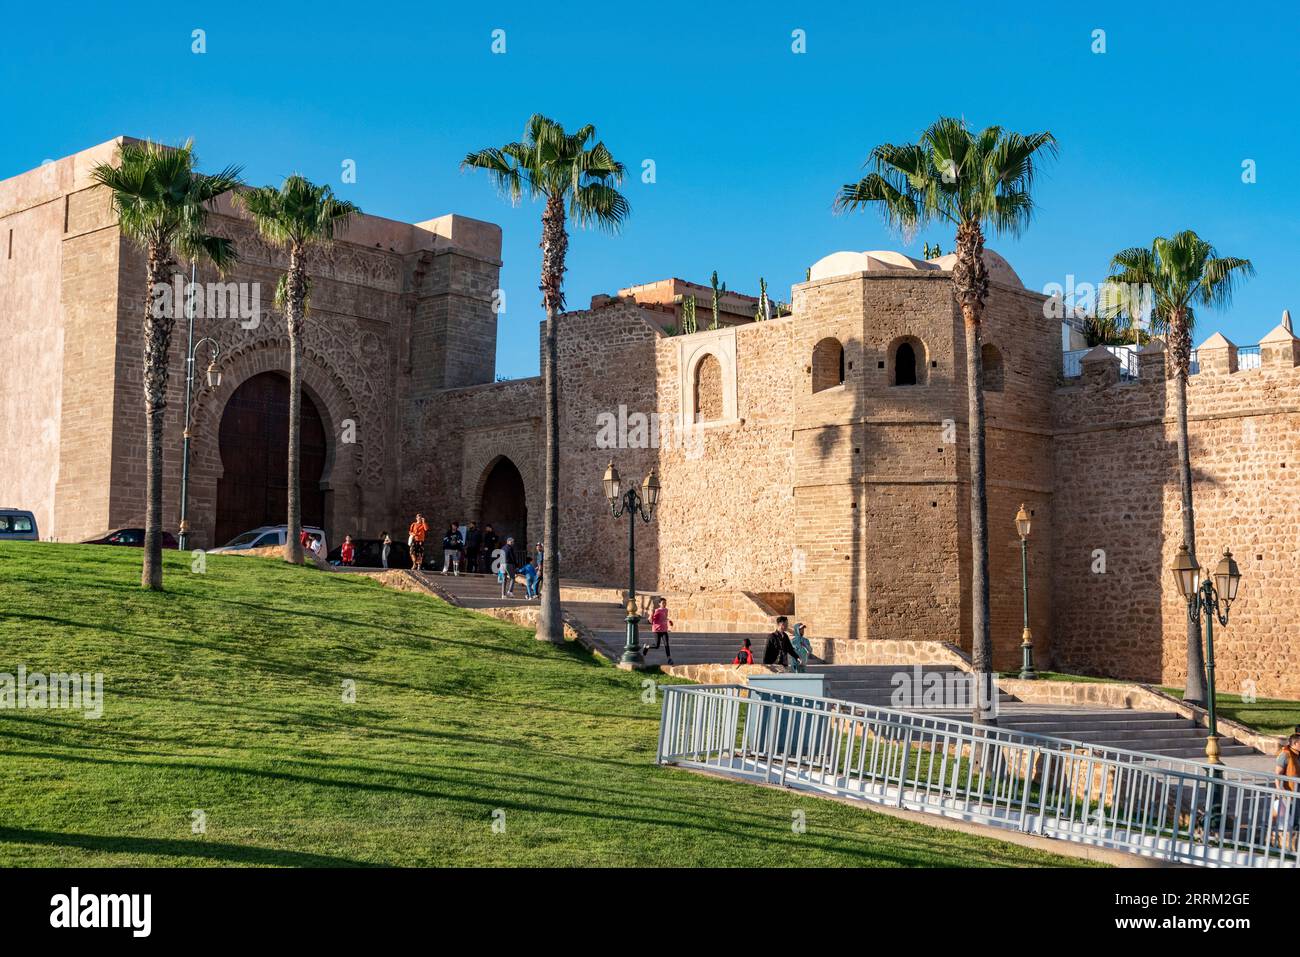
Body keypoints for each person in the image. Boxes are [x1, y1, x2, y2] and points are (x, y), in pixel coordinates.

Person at [1272, 734, 1300, 849]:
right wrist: (1279, 790)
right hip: (1291, 792)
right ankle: (1293, 847)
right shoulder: (1285, 755)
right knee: (1295, 818)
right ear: (1295, 743)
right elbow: (1277, 774)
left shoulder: (1297, 755)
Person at [640, 597, 673, 665]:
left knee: (666, 644)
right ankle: (646, 647)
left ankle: (669, 659)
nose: (664, 604)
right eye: (663, 603)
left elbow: (665, 617)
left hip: (664, 630)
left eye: (665, 603)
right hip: (657, 630)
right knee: (657, 646)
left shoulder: (666, 610)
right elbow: (650, 620)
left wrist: (669, 621)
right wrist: (651, 615)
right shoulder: (656, 611)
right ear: (659, 604)